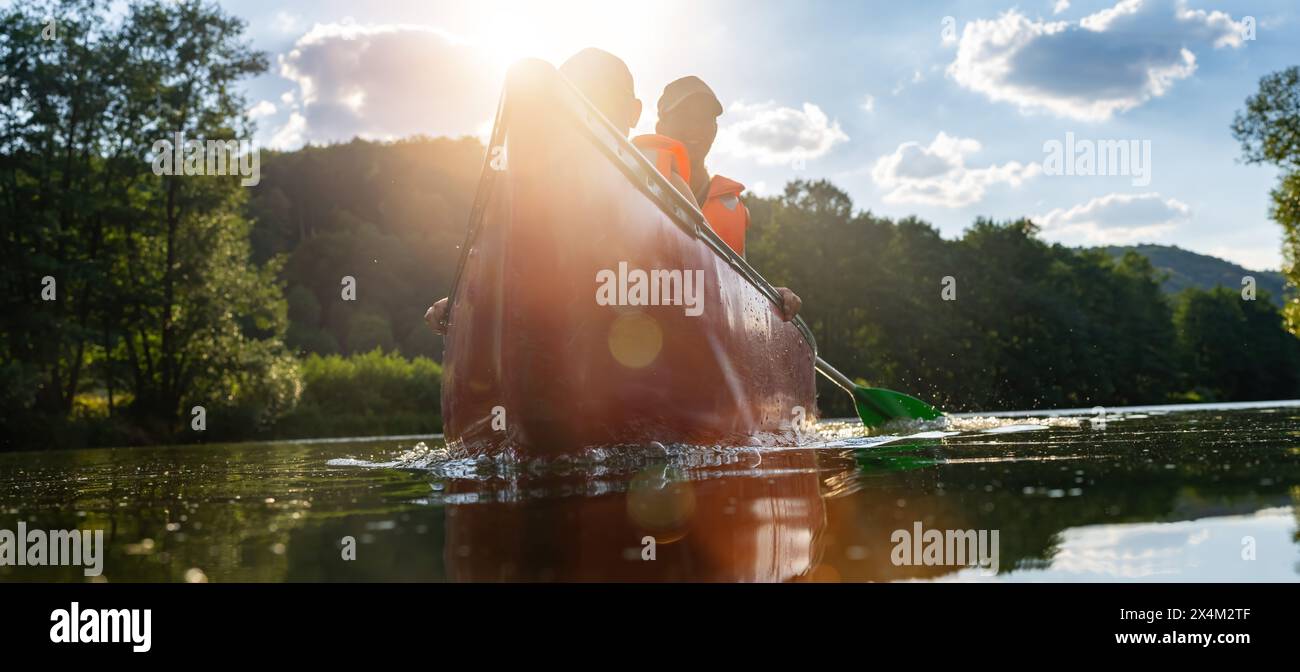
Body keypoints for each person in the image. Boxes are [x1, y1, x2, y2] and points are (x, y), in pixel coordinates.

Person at [426, 48, 652, 334]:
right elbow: (511, 274)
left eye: (604, 96)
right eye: (578, 98)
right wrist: (461, 303)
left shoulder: (661, 194)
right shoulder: (526, 195)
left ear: (634, 113)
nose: (590, 110)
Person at [645, 76, 801, 320]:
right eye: (685, 117)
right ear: (660, 125)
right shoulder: (633, 176)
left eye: (705, 119)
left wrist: (771, 296)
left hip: (706, 339)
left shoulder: (733, 206)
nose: (696, 128)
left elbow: (741, 287)